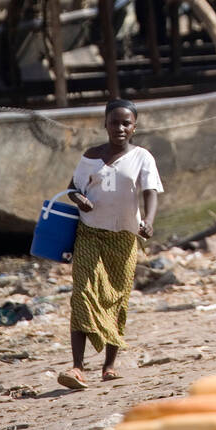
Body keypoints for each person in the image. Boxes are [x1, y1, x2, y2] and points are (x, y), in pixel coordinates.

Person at [58, 98, 161, 390]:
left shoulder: (143, 157)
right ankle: (77, 367)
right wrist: (81, 199)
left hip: (125, 237)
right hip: (90, 233)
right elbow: (72, 188)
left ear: (134, 127)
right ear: (105, 124)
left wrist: (149, 221)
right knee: (82, 294)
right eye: (114, 122)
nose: (119, 127)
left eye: (125, 123)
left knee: (117, 298)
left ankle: (109, 366)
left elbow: (151, 191)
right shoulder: (91, 156)